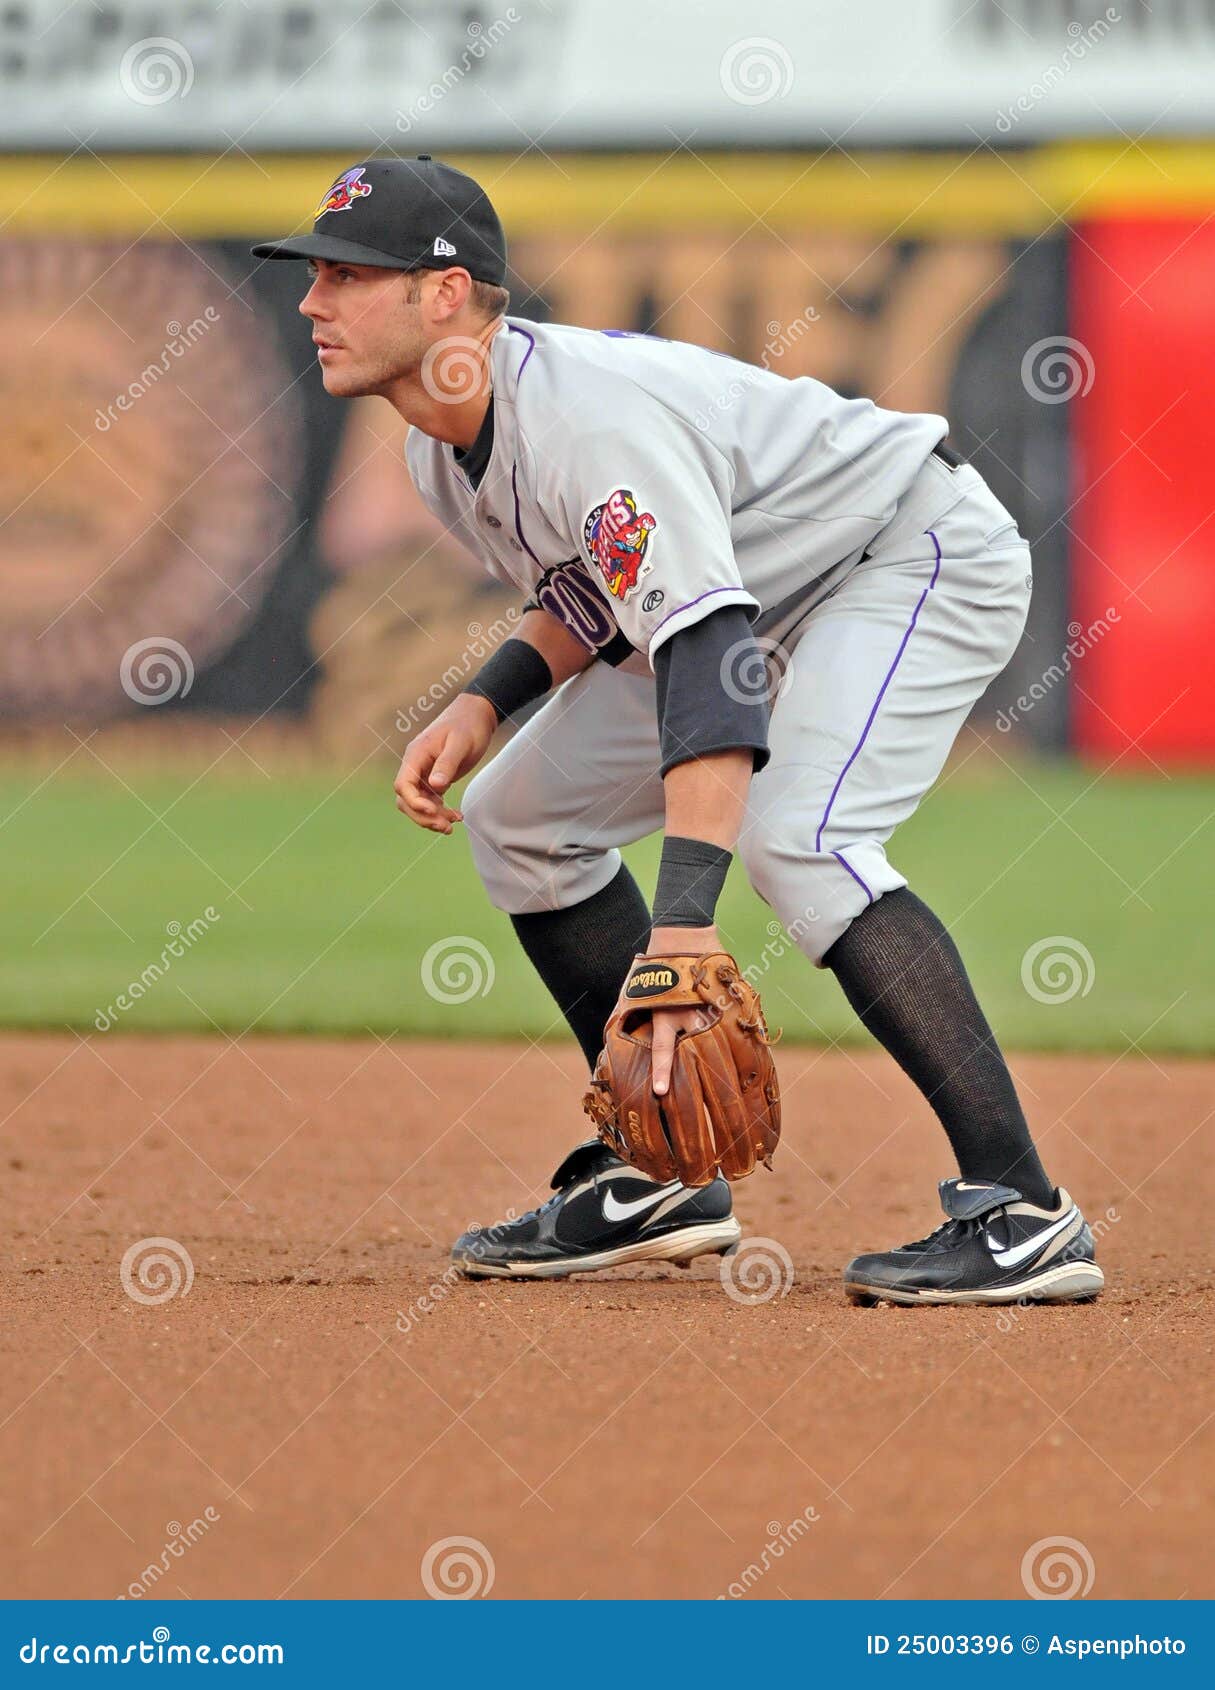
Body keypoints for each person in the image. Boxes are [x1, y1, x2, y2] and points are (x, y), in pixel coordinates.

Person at [252, 156, 1104, 1305]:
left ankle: (1023, 1206)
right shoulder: (437, 445)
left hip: (906, 552)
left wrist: (686, 929)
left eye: (347, 274)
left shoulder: (586, 420)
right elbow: (601, 588)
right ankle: (660, 1177)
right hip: (767, 588)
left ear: (444, 294)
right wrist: (487, 696)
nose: (312, 301)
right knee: (518, 819)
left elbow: (709, 655)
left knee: (803, 840)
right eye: (314, 275)